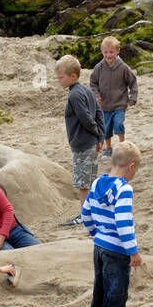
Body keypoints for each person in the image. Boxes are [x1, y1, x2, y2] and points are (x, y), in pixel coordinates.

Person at [81, 142, 142, 307]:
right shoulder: (124, 189)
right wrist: (133, 251)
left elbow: (85, 213)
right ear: (131, 166)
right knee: (115, 294)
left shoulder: (98, 182)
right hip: (116, 249)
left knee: (99, 290)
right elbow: (123, 222)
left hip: (99, 246)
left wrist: (94, 234)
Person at [56, 54, 104, 223]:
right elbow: (99, 113)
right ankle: (92, 213)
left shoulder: (75, 95)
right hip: (91, 143)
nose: (59, 81)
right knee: (89, 180)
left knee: (83, 184)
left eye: (61, 77)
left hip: (83, 145)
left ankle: (84, 216)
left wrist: (96, 133)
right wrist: (100, 137)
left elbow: (86, 118)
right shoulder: (87, 91)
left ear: (73, 76)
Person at [89, 35, 139, 157]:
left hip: (120, 103)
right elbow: (93, 82)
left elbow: (133, 82)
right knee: (106, 128)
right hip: (104, 105)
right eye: (105, 52)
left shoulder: (123, 67)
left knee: (118, 124)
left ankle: (122, 145)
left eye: (111, 52)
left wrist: (133, 98)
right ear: (101, 52)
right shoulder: (99, 68)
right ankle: (109, 147)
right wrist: (96, 94)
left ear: (118, 51)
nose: (108, 55)